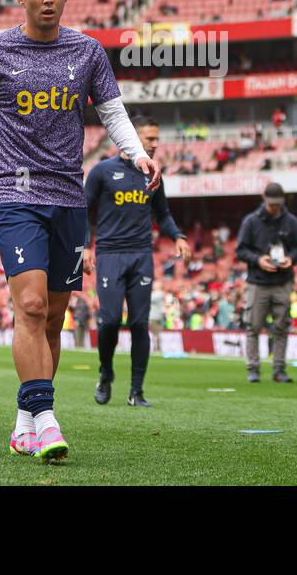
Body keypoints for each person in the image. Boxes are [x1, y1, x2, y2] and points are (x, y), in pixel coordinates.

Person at [0, 0, 159, 463]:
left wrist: (137, 152)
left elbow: (113, 113)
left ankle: (25, 422)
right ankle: (45, 417)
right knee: (32, 305)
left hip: (68, 197)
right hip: (15, 195)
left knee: (53, 319)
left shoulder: (87, 53)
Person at [83, 114, 189, 407]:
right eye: (150, 139)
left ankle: (136, 391)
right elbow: (83, 210)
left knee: (140, 323)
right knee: (110, 320)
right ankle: (105, 372)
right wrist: (85, 247)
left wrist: (177, 236)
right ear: (132, 137)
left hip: (142, 254)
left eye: (157, 139)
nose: (155, 145)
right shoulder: (102, 172)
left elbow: (163, 214)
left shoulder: (153, 173)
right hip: (110, 254)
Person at [235, 182, 297, 383]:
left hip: (283, 281)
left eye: (277, 204)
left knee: (282, 326)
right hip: (258, 281)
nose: (274, 207)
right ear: (264, 199)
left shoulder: (291, 222)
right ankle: (253, 368)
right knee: (253, 326)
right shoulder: (251, 222)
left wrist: (291, 259)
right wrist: (258, 260)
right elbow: (241, 250)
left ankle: (279, 369)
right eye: (271, 203)